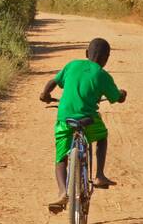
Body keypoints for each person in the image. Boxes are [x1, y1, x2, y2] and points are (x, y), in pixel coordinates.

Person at [39, 37, 126, 214]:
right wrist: (122, 94)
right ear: (106, 58)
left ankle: (63, 191)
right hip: (88, 121)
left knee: (60, 158)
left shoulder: (72, 65)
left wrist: (44, 94)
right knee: (102, 136)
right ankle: (100, 175)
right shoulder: (102, 75)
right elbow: (116, 97)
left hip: (65, 120)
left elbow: (53, 82)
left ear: (86, 54)